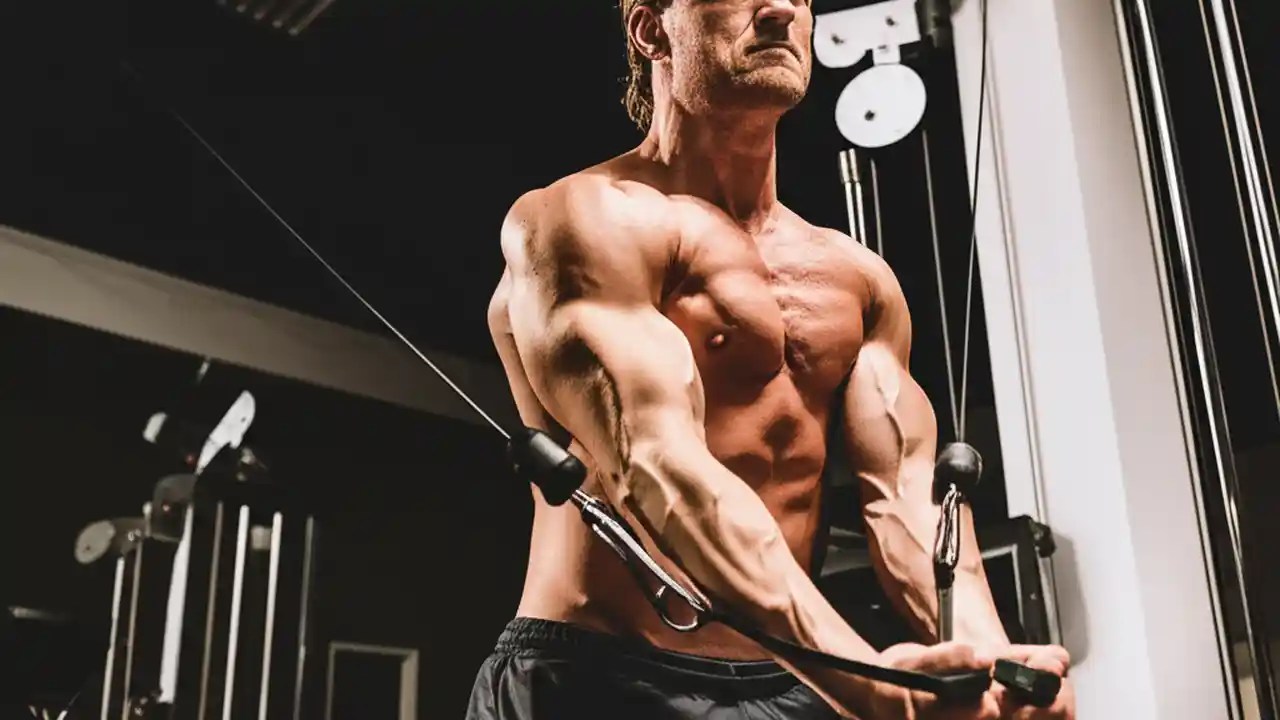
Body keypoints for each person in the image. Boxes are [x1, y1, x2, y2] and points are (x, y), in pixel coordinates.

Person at [469, 0, 1075, 718]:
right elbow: (655, 463)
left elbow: (906, 494)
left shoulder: (856, 277)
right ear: (650, 27)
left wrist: (994, 665)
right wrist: (864, 680)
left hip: (791, 682)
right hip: (596, 677)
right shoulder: (584, 220)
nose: (782, 8)